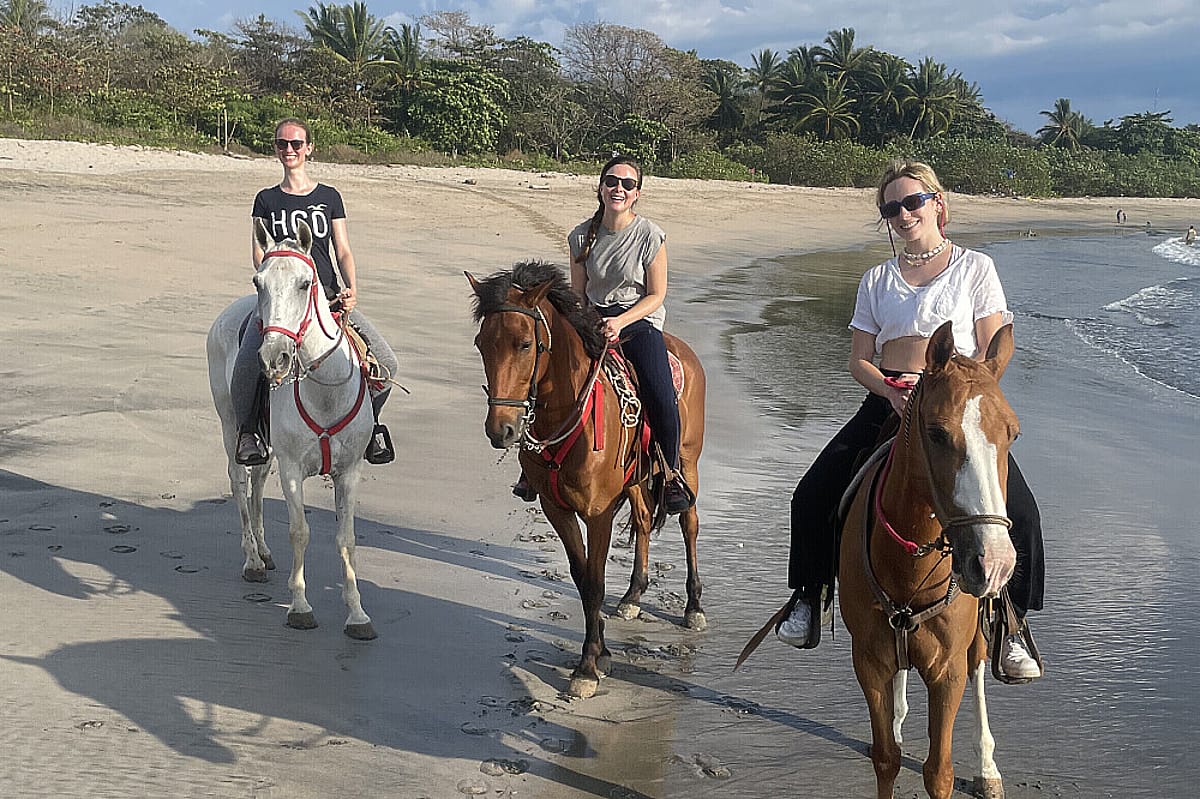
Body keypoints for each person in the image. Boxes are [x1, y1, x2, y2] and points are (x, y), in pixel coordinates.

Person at [776, 159, 1045, 681]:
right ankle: (808, 597)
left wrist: (951, 399)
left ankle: (1012, 624)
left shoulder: (975, 267)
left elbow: (991, 351)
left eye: (912, 202)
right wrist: (889, 391)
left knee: (1024, 513)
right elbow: (859, 360)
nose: (902, 214)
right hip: (890, 399)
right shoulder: (877, 278)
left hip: (954, 407)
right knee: (812, 493)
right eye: (891, 208)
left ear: (937, 203)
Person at [512, 155, 693, 514]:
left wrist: (621, 322)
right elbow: (579, 293)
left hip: (638, 323)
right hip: (592, 319)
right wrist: (582, 322)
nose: (618, 189)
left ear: (637, 193)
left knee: (660, 394)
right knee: (543, 376)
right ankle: (532, 465)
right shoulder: (580, 236)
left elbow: (656, 294)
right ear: (600, 187)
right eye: (612, 181)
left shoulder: (649, 235)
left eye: (627, 184)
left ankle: (671, 473)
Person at [231, 118, 397, 466]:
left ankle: (370, 428)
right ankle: (248, 433)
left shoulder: (328, 197)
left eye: (296, 143)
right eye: (282, 144)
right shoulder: (266, 200)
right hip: (281, 302)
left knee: (386, 363)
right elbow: (259, 254)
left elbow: (343, 250)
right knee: (247, 364)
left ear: (309, 148)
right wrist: (273, 283)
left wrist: (352, 289)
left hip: (328, 299)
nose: (288, 150)